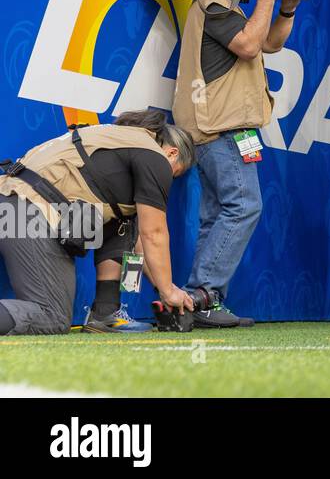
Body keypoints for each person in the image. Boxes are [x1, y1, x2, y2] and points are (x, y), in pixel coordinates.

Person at [172, 0, 300, 328]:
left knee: (216, 214)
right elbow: (247, 46)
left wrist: (285, 8)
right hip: (220, 127)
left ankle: (201, 301)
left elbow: (269, 43)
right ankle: (205, 295)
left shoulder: (228, 10)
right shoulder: (212, 4)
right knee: (244, 206)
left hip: (220, 127)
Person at [0, 111, 195, 336]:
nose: (169, 180)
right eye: (175, 174)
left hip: (13, 201)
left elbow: (142, 240)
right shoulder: (154, 156)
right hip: (26, 211)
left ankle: (105, 313)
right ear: (172, 153)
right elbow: (154, 232)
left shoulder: (115, 139)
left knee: (124, 217)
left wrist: (165, 289)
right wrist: (169, 290)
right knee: (50, 315)